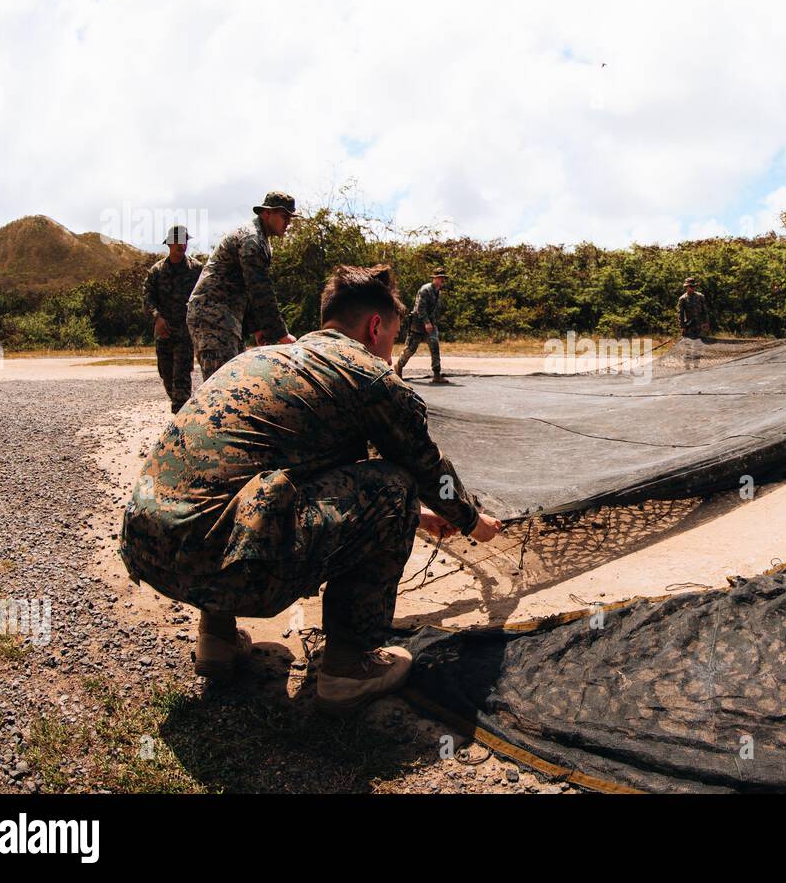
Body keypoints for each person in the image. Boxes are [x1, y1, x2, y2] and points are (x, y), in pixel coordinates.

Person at [120, 264, 502, 712]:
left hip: (149, 547)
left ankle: (216, 640)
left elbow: (272, 475)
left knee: (234, 483)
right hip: (225, 569)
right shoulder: (369, 377)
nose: (389, 352)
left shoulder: (257, 360)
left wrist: (417, 519)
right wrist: (472, 522)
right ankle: (348, 668)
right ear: (375, 327)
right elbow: (427, 471)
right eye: (392, 338)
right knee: (396, 486)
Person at [187, 191, 299, 381]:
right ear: (267, 213)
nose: (288, 222)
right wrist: (281, 334)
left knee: (234, 379)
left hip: (226, 316)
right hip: (212, 314)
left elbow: (248, 289)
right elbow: (260, 290)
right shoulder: (252, 240)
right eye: (284, 216)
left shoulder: (261, 239)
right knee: (221, 383)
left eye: (290, 217)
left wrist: (257, 328)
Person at [144, 225, 204, 412]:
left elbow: (205, 295)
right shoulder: (157, 271)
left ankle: (182, 415)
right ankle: (183, 410)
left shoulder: (196, 269)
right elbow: (147, 298)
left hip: (186, 333)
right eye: (177, 241)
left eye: (184, 241)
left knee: (181, 377)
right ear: (169, 244)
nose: (182, 245)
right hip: (164, 332)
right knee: (166, 375)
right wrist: (157, 318)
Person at [395, 268, 449, 383]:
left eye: (443, 277)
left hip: (430, 325)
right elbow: (420, 308)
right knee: (410, 349)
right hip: (418, 325)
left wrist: (433, 322)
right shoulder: (425, 290)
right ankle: (398, 367)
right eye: (440, 277)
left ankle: (437, 374)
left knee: (434, 346)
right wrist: (426, 322)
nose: (442, 280)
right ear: (434, 278)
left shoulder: (438, 291)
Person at [676, 277, 710, 368]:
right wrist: (682, 326)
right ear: (686, 287)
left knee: (698, 345)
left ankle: (696, 365)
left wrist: (706, 323)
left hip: (699, 325)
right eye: (688, 286)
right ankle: (687, 365)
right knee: (687, 346)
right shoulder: (682, 299)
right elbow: (680, 314)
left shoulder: (700, 296)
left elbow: (705, 311)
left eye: (692, 286)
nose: (690, 288)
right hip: (688, 326)